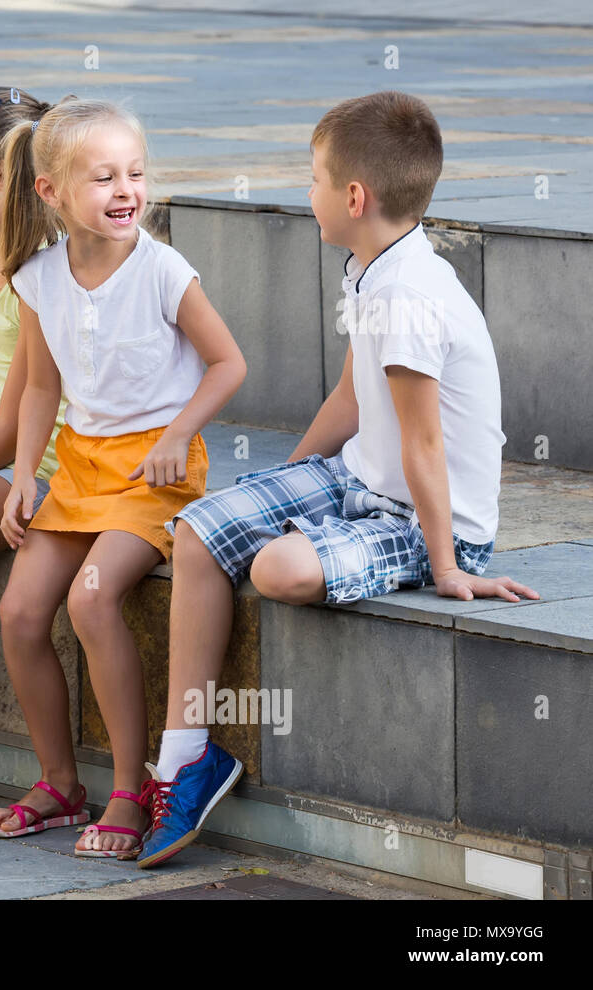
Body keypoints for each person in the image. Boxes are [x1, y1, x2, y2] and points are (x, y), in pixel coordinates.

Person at [138, 91, 539, 870]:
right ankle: (185, 757)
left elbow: (424, 448)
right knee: (199, 531)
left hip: (432, 520)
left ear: (355, 197)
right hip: (358, 481)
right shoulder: (370, 264)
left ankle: (400, 553)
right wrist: (283, 490)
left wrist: (450, 566)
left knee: (275, 565)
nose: (307, 194)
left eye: (314, 179)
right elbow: (353, 398)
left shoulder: (411, 298)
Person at [0, 99, 246, 857]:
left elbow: (230, 363)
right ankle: (59, 783)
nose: (126, 189)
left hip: (154, 473)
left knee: (93, 599)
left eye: (135, 173)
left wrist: (178, 436)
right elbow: (40, 388)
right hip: (76, 464)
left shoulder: (163, 270)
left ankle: (132, 792)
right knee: (18, 613)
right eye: (103, 177)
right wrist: (18, 477)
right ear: (52, 193)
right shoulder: (39, 278)